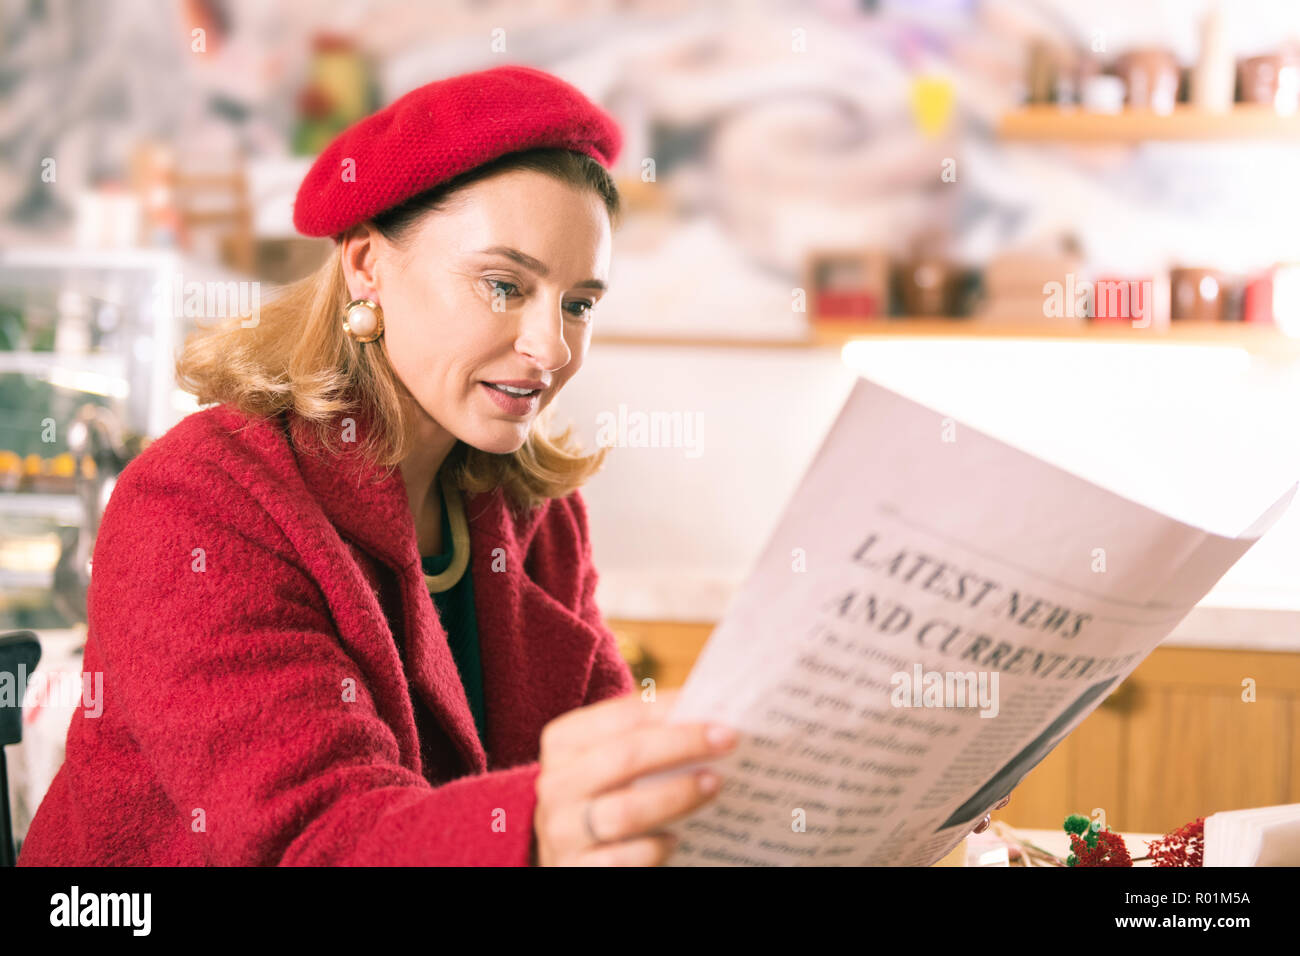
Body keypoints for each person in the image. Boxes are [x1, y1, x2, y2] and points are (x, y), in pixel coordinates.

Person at [19, 63, 1005, 867]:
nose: (550, 348)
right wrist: (547, 818)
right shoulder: (201, 500)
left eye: (578, 302)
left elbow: (614, 757)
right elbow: (312, 841)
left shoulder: (527, 510)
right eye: (504, 285)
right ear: (366, 265)